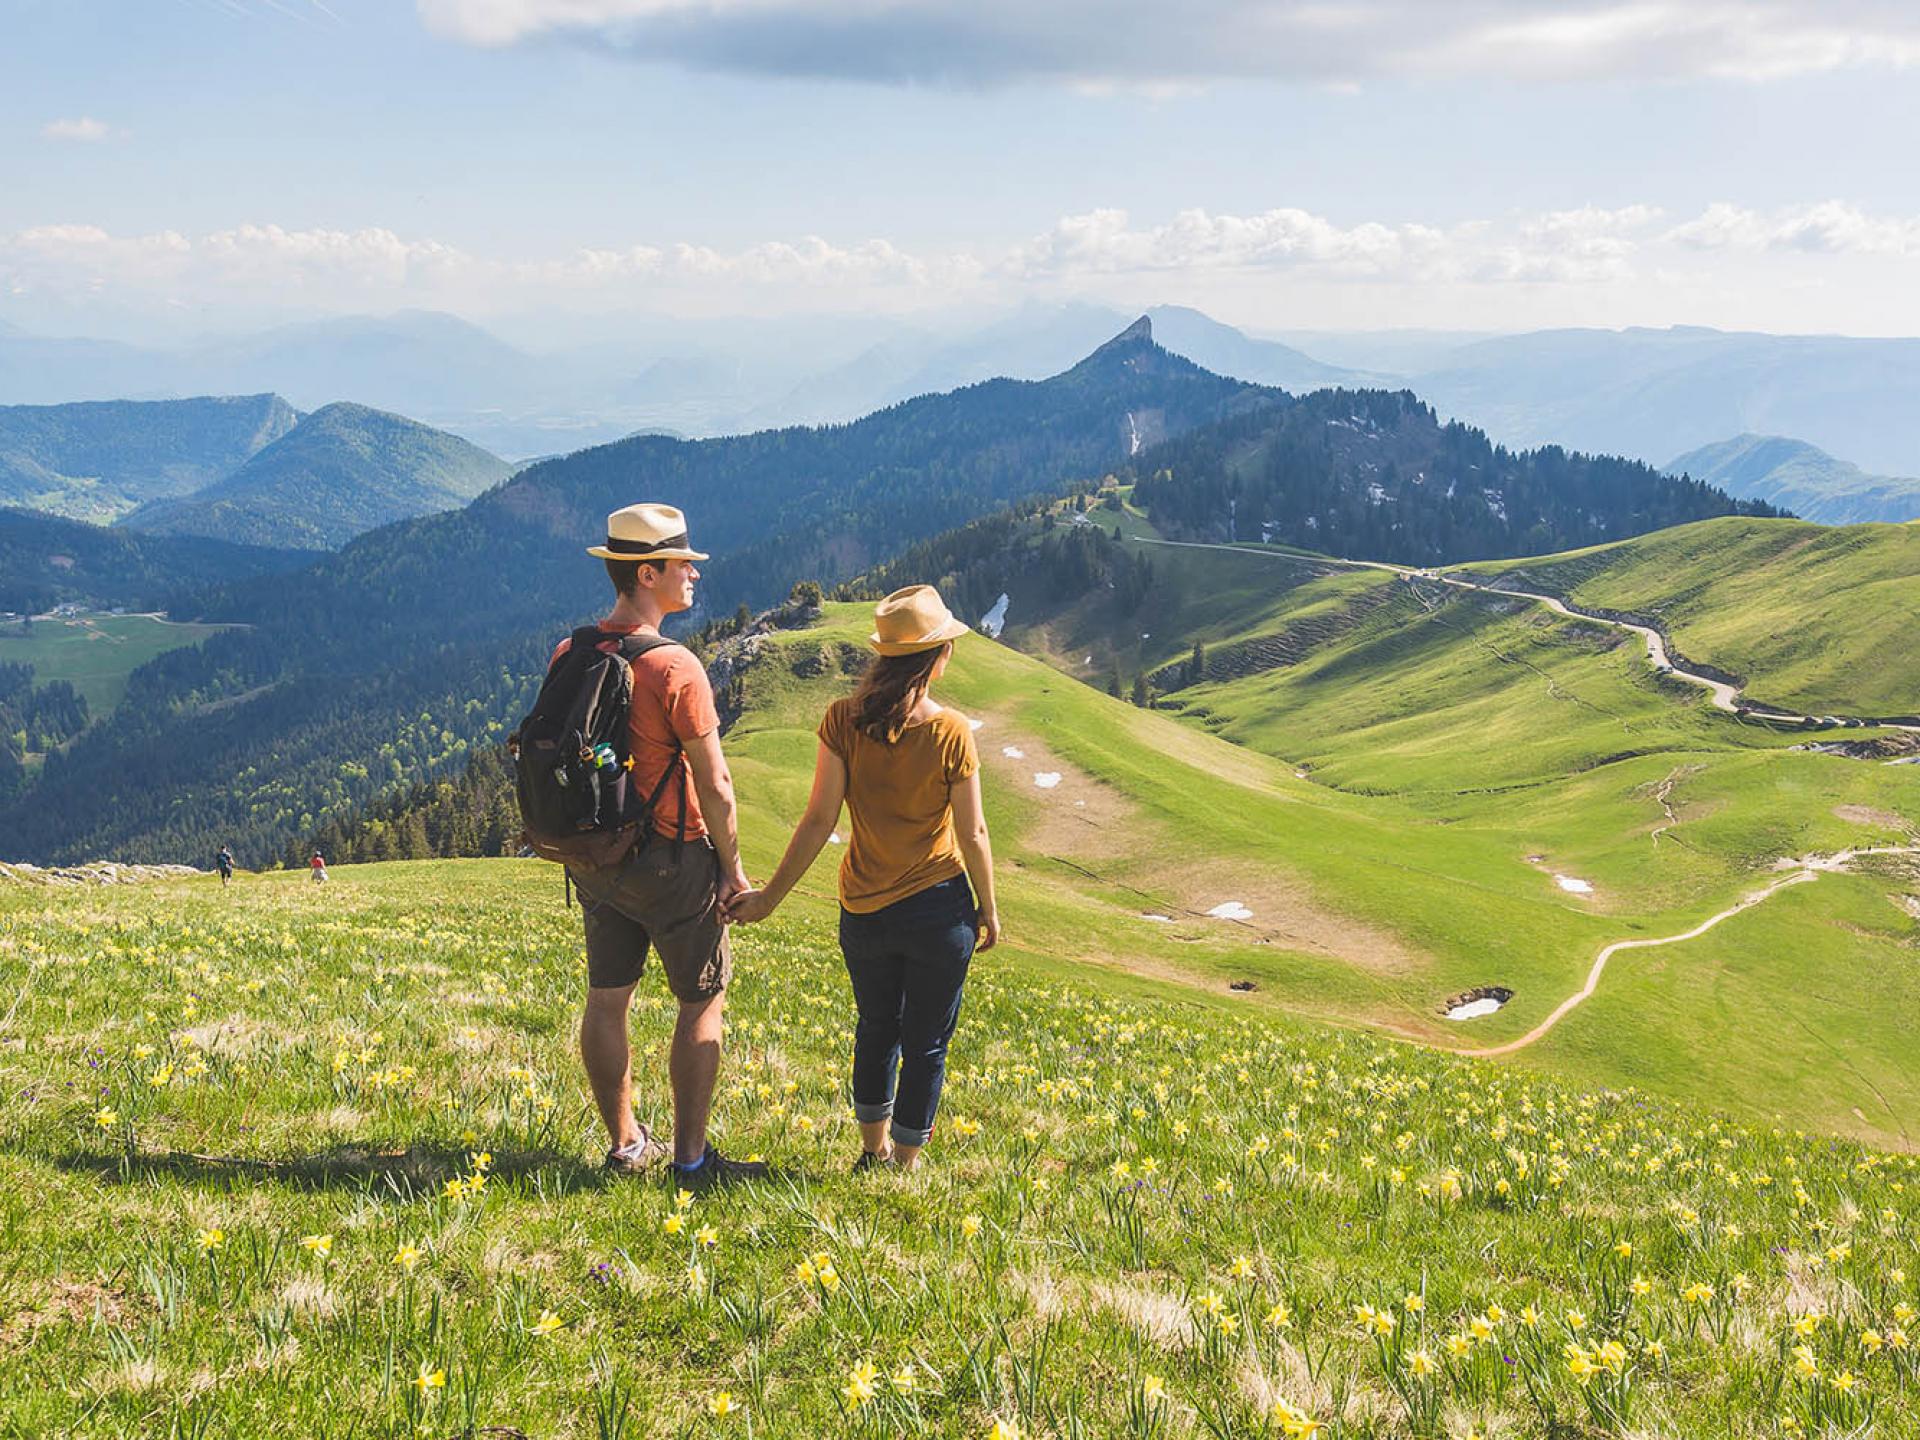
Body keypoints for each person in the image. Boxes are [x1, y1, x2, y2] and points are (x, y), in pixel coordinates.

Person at [728, 584, 1000, 1171]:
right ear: (939, 656)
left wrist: (770, 897)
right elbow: (973, 834)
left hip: (865, 908)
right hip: (939, 907)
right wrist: (989, 908)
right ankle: (906, 1160)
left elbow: (820, 817)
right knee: (927, 1041)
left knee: (877, 1026)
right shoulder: (951, 732)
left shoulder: (842, 721)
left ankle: (871, 1150)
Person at [558, 503, 765, 1188]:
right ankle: (691, 1160)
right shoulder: (676, 667)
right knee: (701, 1002)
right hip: (673, 861)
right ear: (648, 573)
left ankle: (624, 1145)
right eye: (683, 565)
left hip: (598, 859)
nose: (694, 576)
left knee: (607, 999)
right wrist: (731, 871)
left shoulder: (573, 651)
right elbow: (718, 785)